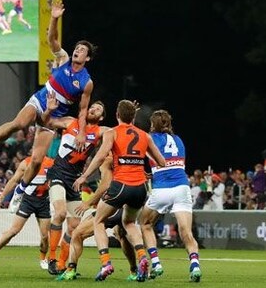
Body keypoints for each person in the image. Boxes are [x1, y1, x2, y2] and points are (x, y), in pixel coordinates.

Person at [0, 1, 96, 193]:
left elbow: (83, 110)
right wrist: (54, 18)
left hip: (53, 115)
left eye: (82, 50)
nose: (77, 50)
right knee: (19, 123)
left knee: (37, 160)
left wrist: (81, 132)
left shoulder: (87, 82)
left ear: (87, 58)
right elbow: (52, 39)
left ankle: (20, 191)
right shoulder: (63, 59)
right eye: (77, 48)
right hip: (40, 100)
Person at [75, 99, 168, 281]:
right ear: (133, 117)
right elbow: (161, 162)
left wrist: (84, 176)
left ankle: (106, 263)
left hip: (121, 185)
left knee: (98, 221)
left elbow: (100, 156)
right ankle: (142, 257)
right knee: (130, 223)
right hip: (140, 189)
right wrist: (143, 166)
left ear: (117, 115)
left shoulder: (112, 133)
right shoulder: (144, 136)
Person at [138, 109, 203, 282]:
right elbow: (174, 164)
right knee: (186, 231)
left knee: (145, 223)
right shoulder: (178, 140)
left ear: (153, 124)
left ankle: (156, 263)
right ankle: (195, 265)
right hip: (182, 187)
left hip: (162, 189)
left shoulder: (149, 138)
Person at [43, 99, 106, 275]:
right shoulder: (70, 122)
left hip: (75, 180)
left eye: (98, 109)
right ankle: (52, 258)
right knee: (60, 213)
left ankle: (61, 264)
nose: (93, 109)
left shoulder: (100, 131)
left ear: (101, 117)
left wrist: (129, 116)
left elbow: (120, 133)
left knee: (74, 226)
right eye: (92, 107)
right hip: (57, 173)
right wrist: (49, 110)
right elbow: (46, 122)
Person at [0, 153, 56, 270]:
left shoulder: (51, 163)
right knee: (14, 231)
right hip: (28, 201)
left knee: (45, 236)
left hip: (43, 202)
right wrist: (1, 197)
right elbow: (14, 180)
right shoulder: (26, 163)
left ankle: (42, 259)